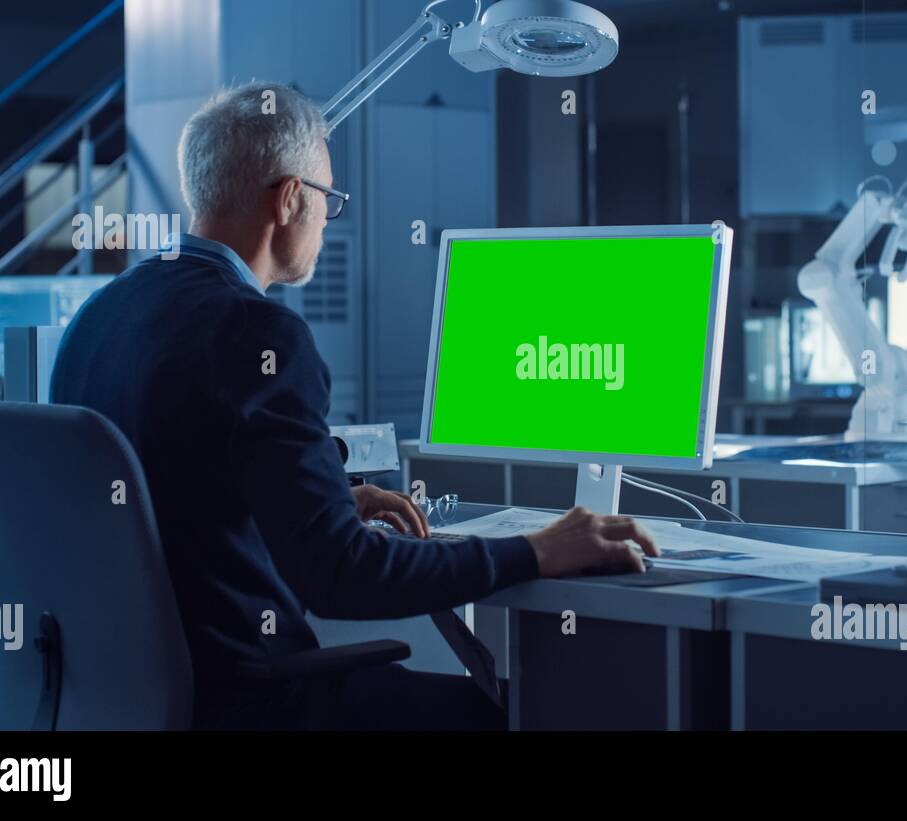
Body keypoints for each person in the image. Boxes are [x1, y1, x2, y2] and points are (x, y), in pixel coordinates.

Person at [50, 83, 657, 730]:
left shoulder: (99, 315)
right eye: (327, 199)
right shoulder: (258, 335)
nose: (326, 217)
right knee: (517, 712)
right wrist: (537, 550)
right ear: (289, 199)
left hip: (124, 699)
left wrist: (323, 490)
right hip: (251, 703)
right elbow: (342, 573)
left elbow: (174, 479)